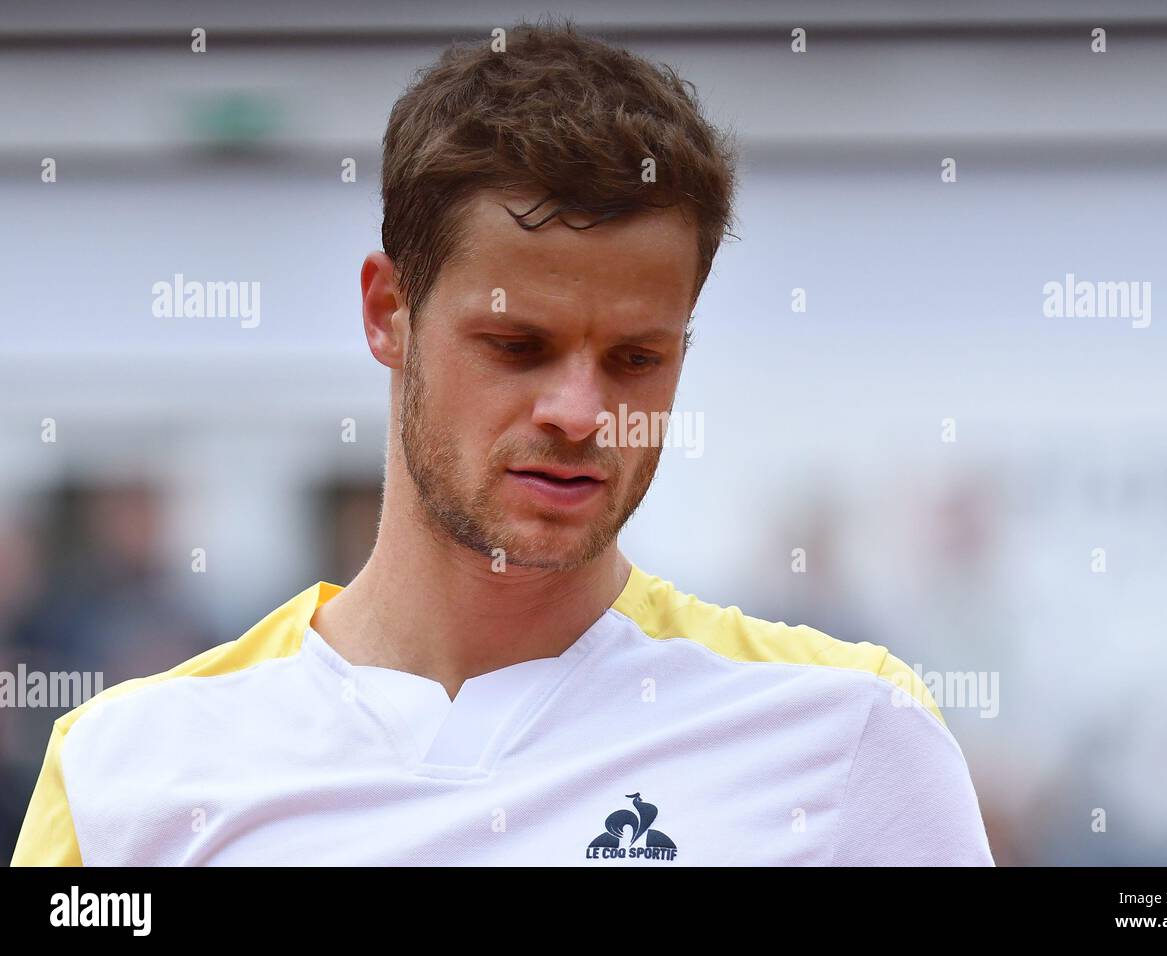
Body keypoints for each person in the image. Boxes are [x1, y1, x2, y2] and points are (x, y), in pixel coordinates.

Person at [12, 18, 992, 866]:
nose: (580, 409)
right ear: (387, 311)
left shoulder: (845, 728)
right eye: (517, 345)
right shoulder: (127, 769)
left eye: (636, 357)